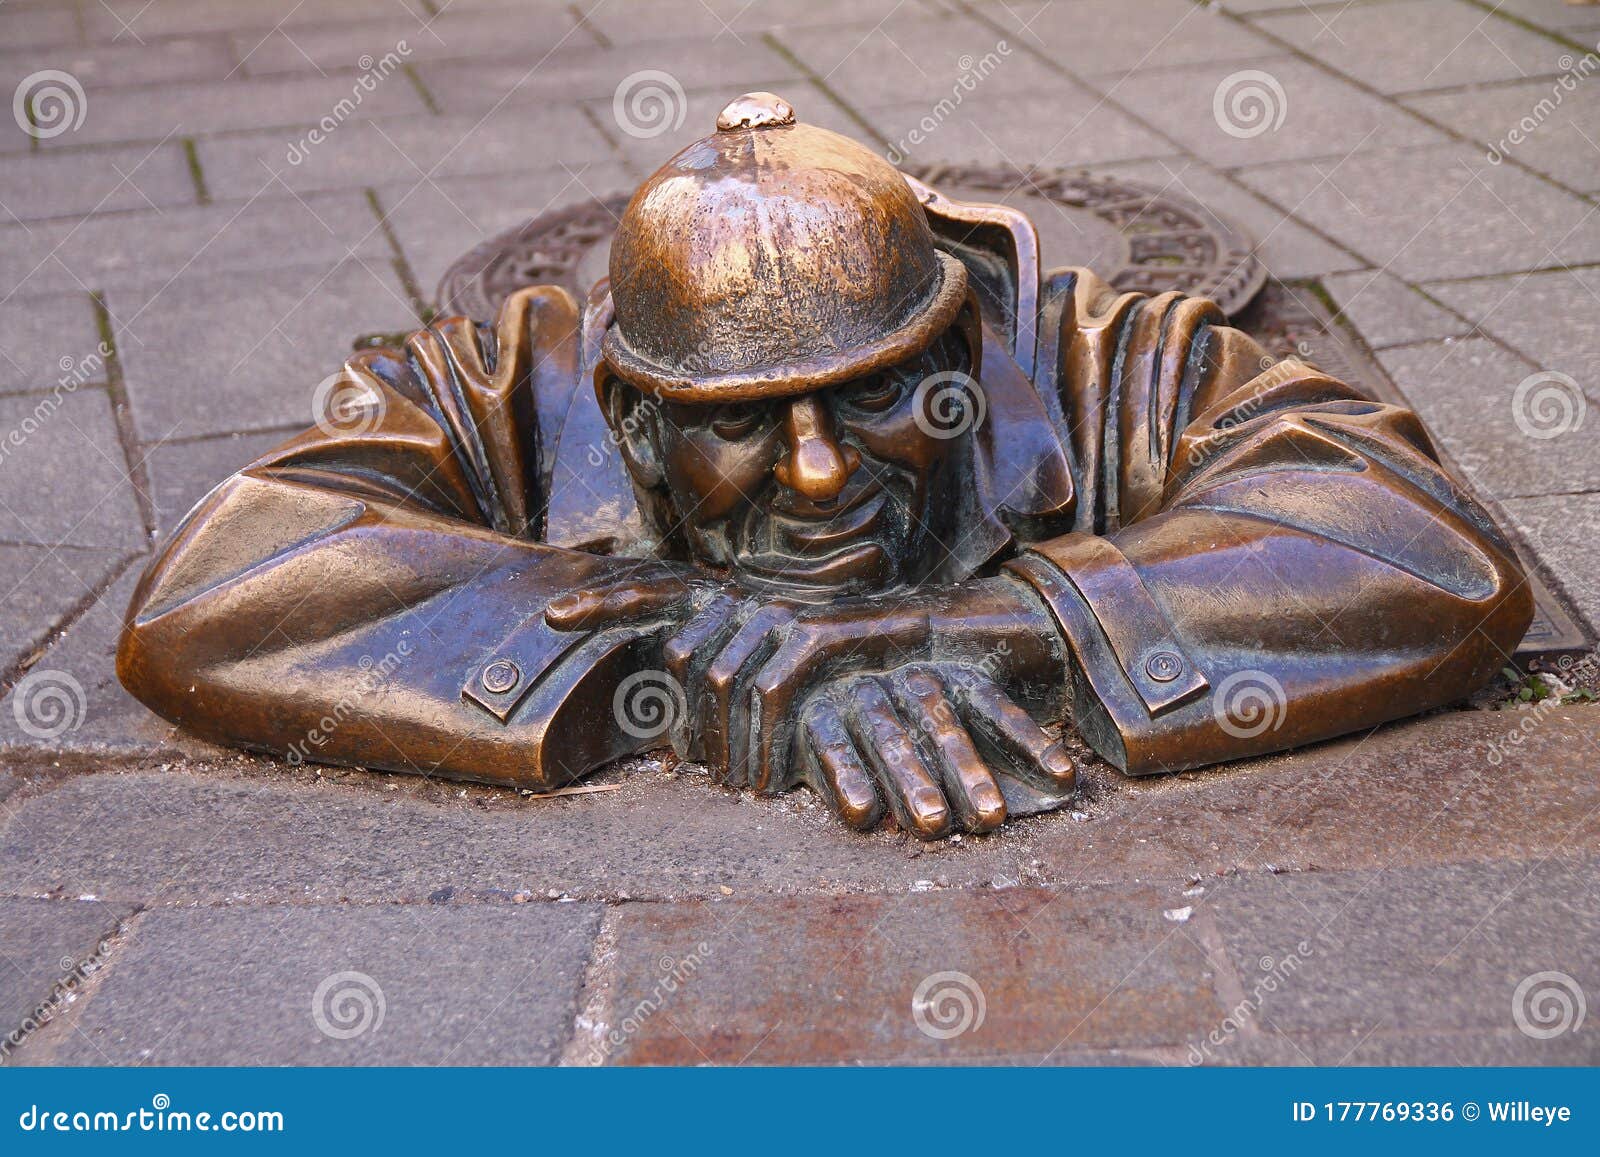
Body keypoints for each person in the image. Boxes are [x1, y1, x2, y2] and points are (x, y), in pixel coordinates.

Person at [117, 93, 1532, 839]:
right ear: (633, 415)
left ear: (960, 352)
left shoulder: (1105, 356)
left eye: (876, 401)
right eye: (737, 421)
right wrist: (663, 649)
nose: (812, 474)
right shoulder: (505, 383)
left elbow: (1418, 539)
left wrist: (983, 626)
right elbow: (215, 586)